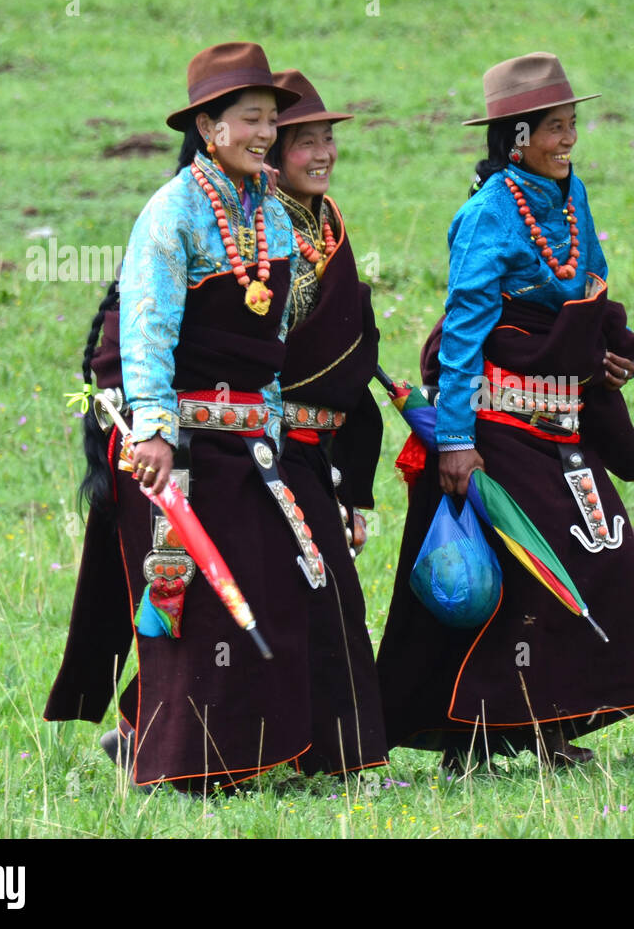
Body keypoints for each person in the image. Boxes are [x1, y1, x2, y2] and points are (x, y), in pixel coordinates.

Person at [44, 42, 329, 794]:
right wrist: (154, 434)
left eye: (273, 120)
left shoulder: (271, 214)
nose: (266, 134)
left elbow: (269, 348)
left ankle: (229, 754)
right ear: (209, 125)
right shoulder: (170, 212)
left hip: (250, 445)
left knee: (271, 587)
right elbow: (146, 330)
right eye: (250, 119)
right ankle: (176, 763)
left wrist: (269, 430)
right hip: (184, 450)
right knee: (194, 609)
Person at [376, 52, 634, 771]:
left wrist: (606, 352)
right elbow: (465, 330)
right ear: (518, 137)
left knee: (607, 558)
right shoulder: (485, 215)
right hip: (496, 426)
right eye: (556, 128)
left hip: (563, 421)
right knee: (526, 574)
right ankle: (469, 735)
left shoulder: (572, 197)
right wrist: (457, 443)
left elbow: (588, 287)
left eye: (572, 125)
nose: (569, 139)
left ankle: (549, 722)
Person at [262, 69, 387, 776]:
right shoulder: (256, 224)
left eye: (328, 139)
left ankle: (329, 752)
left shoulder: (328, 222)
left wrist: (347, 484)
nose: (323, 153)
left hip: (318, 444)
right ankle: (341, 757)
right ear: (274, 150)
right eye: (305, 141)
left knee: (315, 589)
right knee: (316, 589)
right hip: (265, 441)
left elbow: (345, 350)